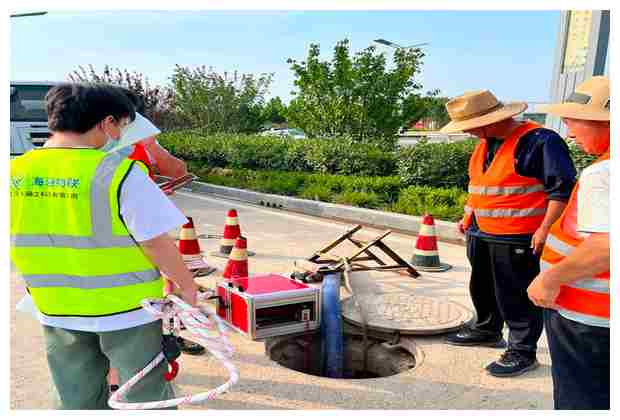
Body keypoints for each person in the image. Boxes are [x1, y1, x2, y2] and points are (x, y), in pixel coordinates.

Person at [10, 83, 199, 409]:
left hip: (57, 308)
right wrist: (186, 287)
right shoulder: (120, 173)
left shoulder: (13, 171)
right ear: (107, 122)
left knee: (75, 398)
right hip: (127, 311)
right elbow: (156, 243)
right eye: (122, 126)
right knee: (144, 398)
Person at [439, 90, 577, 377]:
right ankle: (487, 329)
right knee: (483, 286)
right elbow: (479, 184)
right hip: (482, 231)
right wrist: (468, 214)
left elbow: (561, 190)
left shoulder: (540, 141)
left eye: (468, 126)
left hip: (519, 235)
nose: (466, 132)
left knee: (516, 294)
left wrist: (545, 228)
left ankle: (522, 350)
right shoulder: (485, 143)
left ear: (488, 121)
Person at [528, 76, 610, 409]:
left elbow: (607, 247)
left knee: (581, 401)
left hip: (589, 321)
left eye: (574, 117)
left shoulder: (603, 173)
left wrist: (549, 279)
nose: (567, 126)